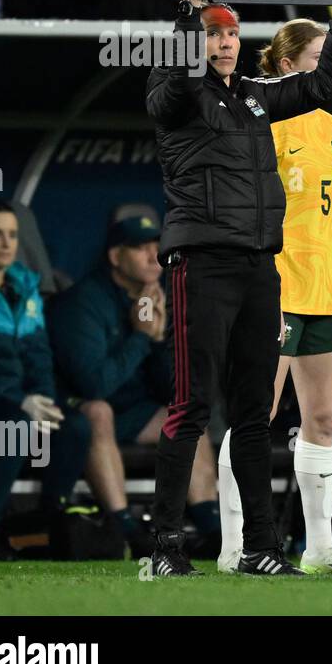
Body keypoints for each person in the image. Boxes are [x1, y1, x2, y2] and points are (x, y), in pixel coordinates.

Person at [144, 0, 332, 576]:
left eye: (233, 32)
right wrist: (188, 7)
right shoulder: (174, 89)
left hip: (259, 266)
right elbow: (183, 84)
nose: (225, 43)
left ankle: (259, 550)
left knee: (251, 414)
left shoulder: (257, 97)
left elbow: (322, 85)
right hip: (201, 262)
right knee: (190, 405)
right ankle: (166, 547)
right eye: (214, 33)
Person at [213, 6, 332, 576]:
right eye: (318, 58)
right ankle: (234, 544)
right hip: (277, 287)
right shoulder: (263, 121)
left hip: (327, 288)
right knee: (257, 413)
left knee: (324, 420)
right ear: (288, 64)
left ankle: (319, 548)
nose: (329, 69)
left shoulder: (327, 124)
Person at [47, 213, 218, 559]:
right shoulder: (84, 302)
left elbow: (171, 387)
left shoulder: (149, 298)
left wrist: (156, 342)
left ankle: (210, 526)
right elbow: (93, 386)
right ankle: (126, 528)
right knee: (98, 412)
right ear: (115, 257)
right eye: (140, 248)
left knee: (185, 415)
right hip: (72, 417)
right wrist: (142, 339)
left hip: (130, 414)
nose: (152, 255)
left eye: (156, 246)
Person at [0, 198, 89, 558]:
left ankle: (44, 526)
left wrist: (42, 398)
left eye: (13, 234)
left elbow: (38, 354)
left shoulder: (24, 285)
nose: (8, 243)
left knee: (74, 426)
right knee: (13, 424)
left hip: (15, 401)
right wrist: (21, 401)